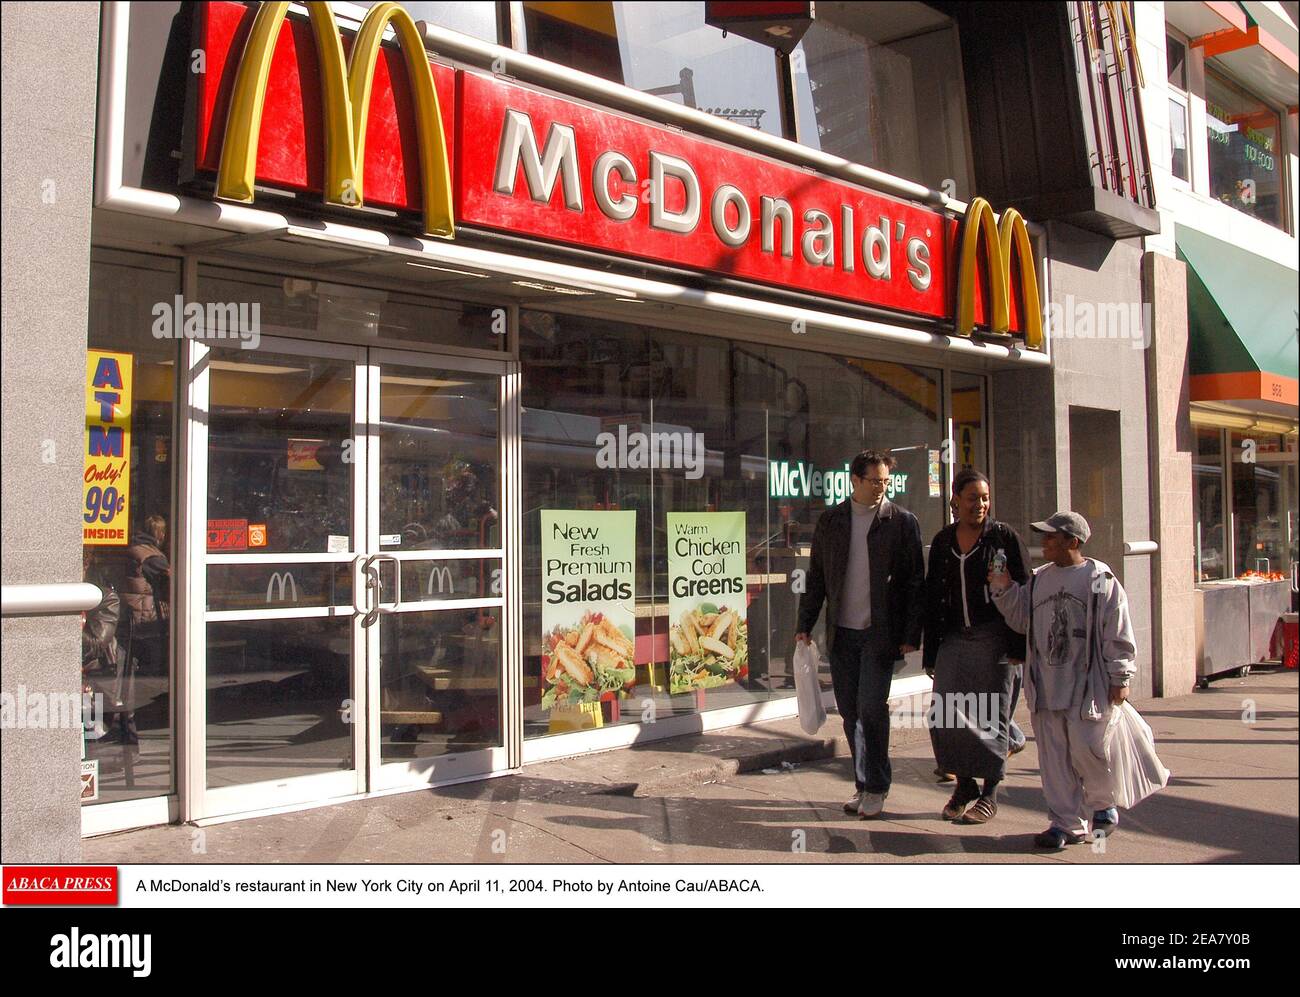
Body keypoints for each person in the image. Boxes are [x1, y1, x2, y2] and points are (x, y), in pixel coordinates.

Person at [989, 511, 1136, 849]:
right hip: (1046, 684)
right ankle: (1066, 823)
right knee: (1054, 759)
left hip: (1088, 685)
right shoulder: (1040, 578)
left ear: (1073, 541)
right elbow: (1021, 617)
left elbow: (1116, 628)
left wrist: (1120, 675)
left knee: (1088, 750)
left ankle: (1103, 805)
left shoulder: (1099, 578)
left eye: (1052, 537)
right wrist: (1001, 587)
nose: (1045, 543)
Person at [795, 450, 924, 819]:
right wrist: (804, 624)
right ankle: (863, 782)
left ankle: (877, 785)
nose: (882, 488)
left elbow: (915, 581)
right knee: (850, 713)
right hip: (842, 634)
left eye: (886, 482)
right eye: (875, 481)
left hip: (879, 633)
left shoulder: (901, 522)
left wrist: (911, 632)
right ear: (855, 480)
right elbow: (816, 575)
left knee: (871, 708)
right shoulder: (832, 521)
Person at [922, 469, 1031, 824]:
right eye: (972, 498)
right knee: (946, 713)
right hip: (953, 637)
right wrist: (931, 650)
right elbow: (932, 596)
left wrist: (1019, 646)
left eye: (984, 498)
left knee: (991, 715)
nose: (980, 505)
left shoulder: (1003, 538)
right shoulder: (943, 542)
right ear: (955, 500)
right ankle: (964, 785)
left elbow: (1024, 591)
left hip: (994, 637)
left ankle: (989, 794)